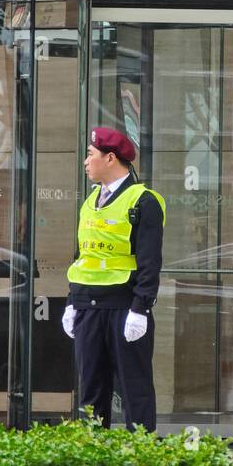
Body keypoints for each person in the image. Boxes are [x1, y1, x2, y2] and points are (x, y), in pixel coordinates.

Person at [61, 126, 165, 431]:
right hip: (87, 306)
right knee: (91, 389)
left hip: (125, 308)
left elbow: (150, 262)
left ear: (110, 158)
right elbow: (83, 257)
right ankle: (94, 457)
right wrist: (72, 301)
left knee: (135, 388)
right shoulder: (90, 201)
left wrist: (141, 308)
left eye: (90, 155)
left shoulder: (142, 201)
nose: (85, 161)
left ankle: (140, 457)